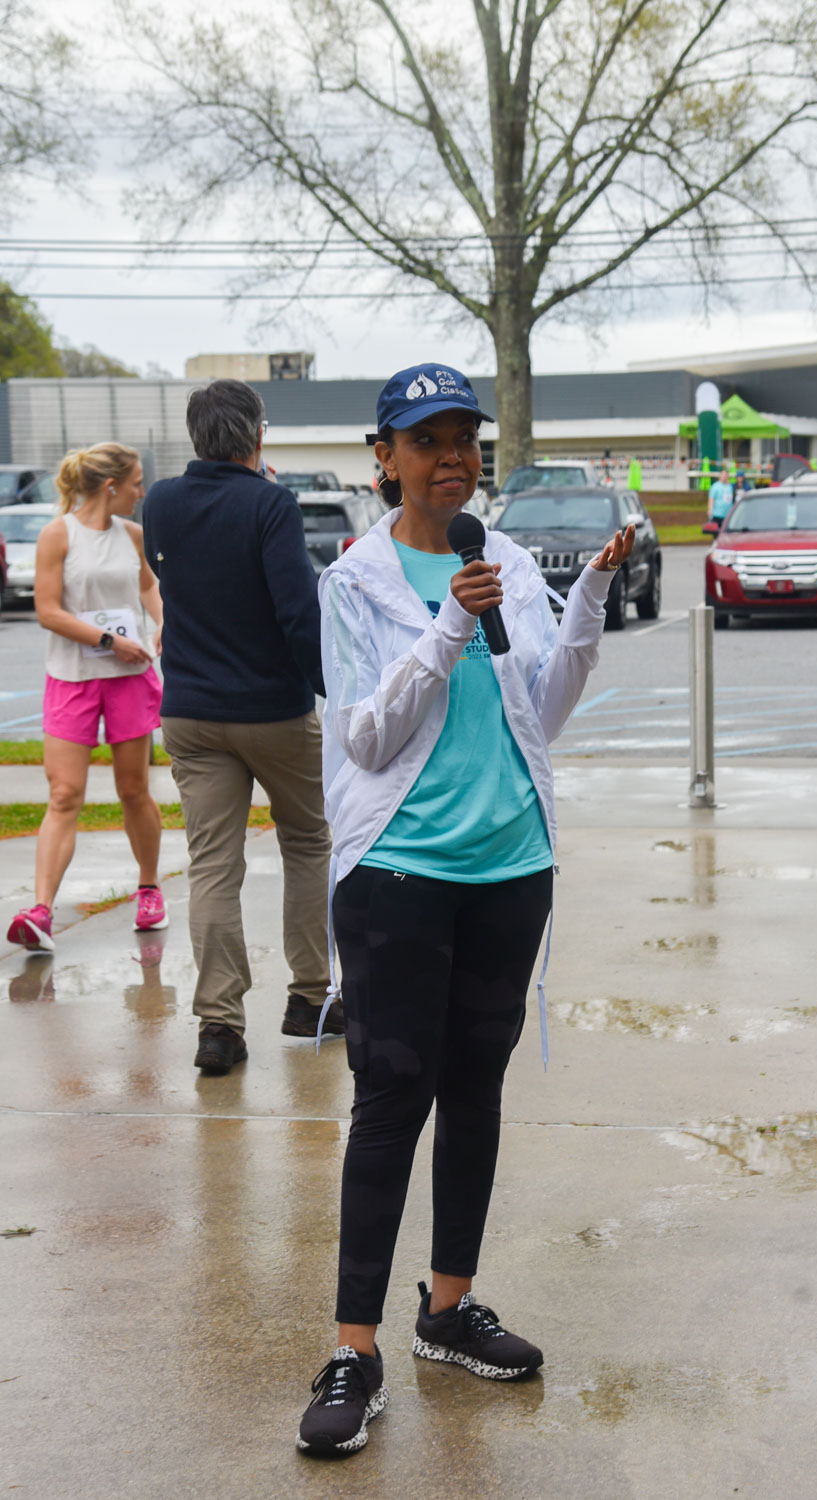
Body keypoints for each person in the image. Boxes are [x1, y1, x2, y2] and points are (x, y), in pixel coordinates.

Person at [295, 362, 634, 1461]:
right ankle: (356, 1348)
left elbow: (541, 706)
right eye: (426, 439)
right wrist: (445, 625)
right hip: (399, 870)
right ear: (383, 457)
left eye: (465, 439)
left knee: (476, 1087)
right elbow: (365, 739)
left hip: (509, 867)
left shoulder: (514, 566)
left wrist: (585, 603)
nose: (452, 457)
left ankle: (447, 1310)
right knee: (394, 1095)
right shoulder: (353, 581)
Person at [142, 380, 338, 1075]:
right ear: (258, 435)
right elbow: (296, 609)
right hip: (273, 711)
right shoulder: (271, 505)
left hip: (191, 711)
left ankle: (218, 1025)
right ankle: (310, 996)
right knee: (308, 844)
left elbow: (179, 570)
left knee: (212, 867)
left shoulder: (159, 502)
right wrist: (332, 689)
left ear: (195, 436)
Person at [6, 444, 166, 954]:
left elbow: (150, 589)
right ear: (110, 485)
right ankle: (41, 912)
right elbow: (48, 611)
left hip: (128, 678)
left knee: (134, 790)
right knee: (64, 794)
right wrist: (107, 641)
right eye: (137, 483)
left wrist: (163, 623)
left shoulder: (133, 536)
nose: (142, 493)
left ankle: (148, 889)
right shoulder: (58, 535)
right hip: (72, 676)